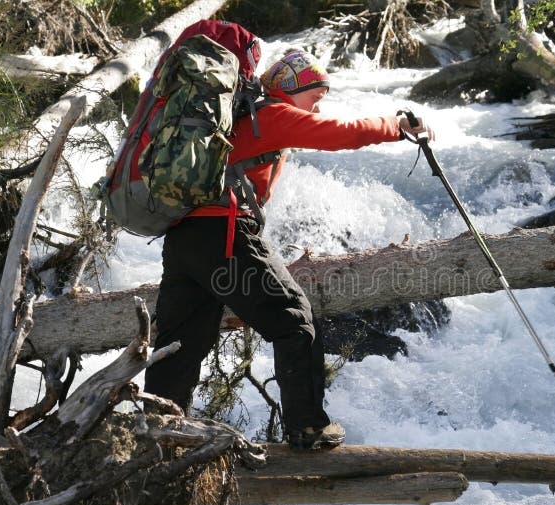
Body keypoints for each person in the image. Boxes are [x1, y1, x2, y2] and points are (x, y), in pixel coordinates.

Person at [144, 49, 433, 449]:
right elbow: (341, 132)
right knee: (295, 318)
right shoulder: (274, 115)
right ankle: (308, 427)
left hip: (184, 238)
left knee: (180, 342)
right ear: (292, 88)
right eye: (315, 94)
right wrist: (396, 126)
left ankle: (157, 435)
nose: (318, 104)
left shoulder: (243, 117)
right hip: (223, 231)